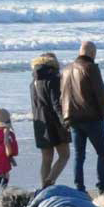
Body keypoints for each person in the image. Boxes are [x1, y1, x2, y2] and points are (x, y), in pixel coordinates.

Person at [60, 41, 104, 196]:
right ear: (92, 53)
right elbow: (100, 93)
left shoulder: (66, 70)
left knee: (79, 156)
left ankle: (80, 189)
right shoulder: (91, 68)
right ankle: (102, 188)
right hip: (91, 117)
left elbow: (62, 95)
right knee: (102, 153)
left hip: (72, 118)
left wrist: (65, 117)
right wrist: (103, 111)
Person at [28, 53, 72, 188]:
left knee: (46, 158)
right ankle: (50, 181)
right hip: (54, 123)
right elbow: (56, 104)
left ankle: (44, 187)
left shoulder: (33, 82)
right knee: (64, 155)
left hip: (39, 122)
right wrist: (65, 122)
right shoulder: (53, 79)